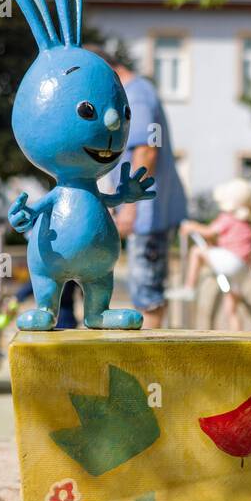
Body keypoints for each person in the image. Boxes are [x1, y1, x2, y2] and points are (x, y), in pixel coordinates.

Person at [107, 49, 188, 329]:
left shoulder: (136, 95)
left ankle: (148, 368)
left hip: (147, 215)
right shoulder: (139, 92)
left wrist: (130, 207)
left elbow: (145, 150)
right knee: (147, 291)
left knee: (147, 295)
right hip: (147, 213)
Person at [175, 177, 251, 330]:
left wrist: (192, 226)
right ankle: (239, 337)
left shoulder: (227, 217)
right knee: (231, 307)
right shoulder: (246, 223)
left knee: (197, 251)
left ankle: (189, 288)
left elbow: (208, 232)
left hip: (230, 262)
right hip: (243, 269)